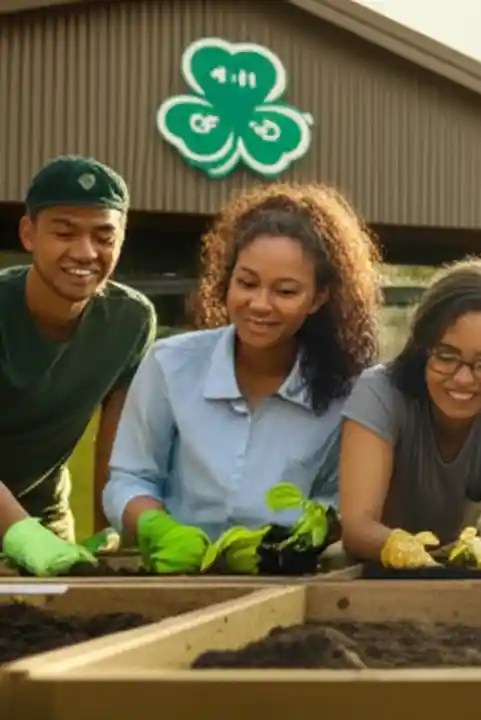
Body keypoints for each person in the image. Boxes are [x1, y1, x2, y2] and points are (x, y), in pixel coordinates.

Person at [102, 183, 382, 573]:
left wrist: (301, 538)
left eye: (285, 291)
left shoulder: (349, 392)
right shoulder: (171, 364)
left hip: (286, 584)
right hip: (176, 576)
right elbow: (130, 478)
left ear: (319, 298)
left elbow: (342, 501)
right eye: (247, 283)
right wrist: (156, 527)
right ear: (227, 278)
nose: (260, 304)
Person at [339, 258, 481, 570]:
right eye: (447, 356)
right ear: (422, 347)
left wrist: (459, 558)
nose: (464, 379)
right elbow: (357, 527)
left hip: (471, 575)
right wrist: (405, 551)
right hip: (376, 569)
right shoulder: (380, 392)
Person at [0, 155, 156, 577]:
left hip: (44, 518)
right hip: (21, 529)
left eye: (104, 236)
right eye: (64, 232)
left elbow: (117, 446)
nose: (86, 252)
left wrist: (112, 545)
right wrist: (20, 536)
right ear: (29, 233)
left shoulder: (131, 320)